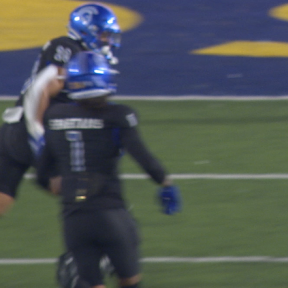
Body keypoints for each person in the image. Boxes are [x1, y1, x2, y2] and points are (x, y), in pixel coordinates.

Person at [35, 51, 181, 288]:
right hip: (110, 214)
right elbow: (143, 158)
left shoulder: (54, 116)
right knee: (130, 281)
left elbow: (43, 175)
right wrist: (165, 182)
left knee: (91, 282)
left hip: (73, 219)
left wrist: (72, 187)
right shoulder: (118, 116)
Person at [0, 2, 123, 220]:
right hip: (30, 132)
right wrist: (38, 136)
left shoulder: (84, 57)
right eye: (104, 35)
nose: (108, 41)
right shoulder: (67, 48)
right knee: (83, 190)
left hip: (13, 132)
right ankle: (91, 241)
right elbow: (39, 89)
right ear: (86, 31)